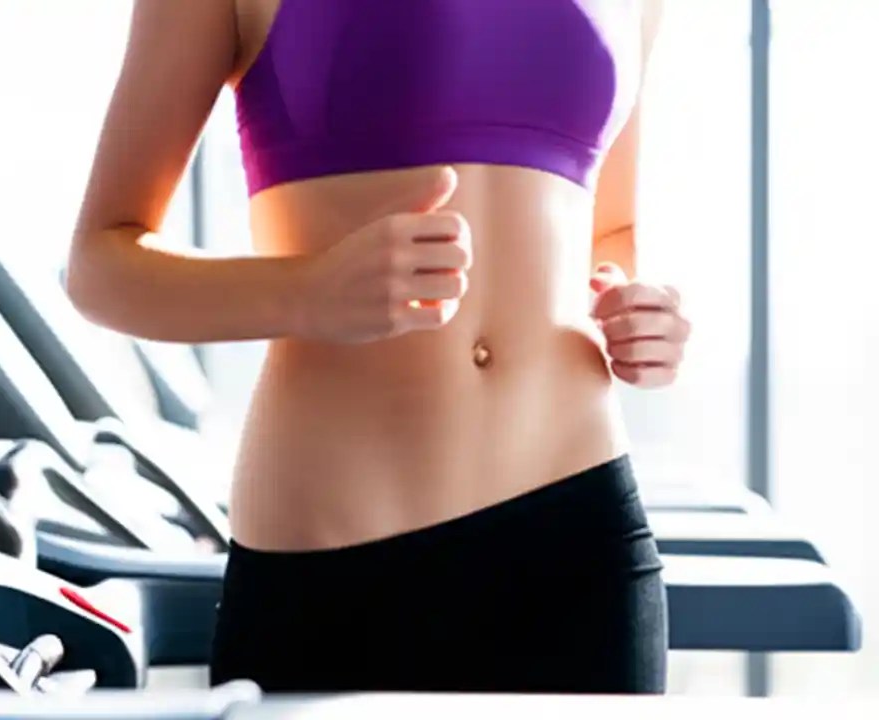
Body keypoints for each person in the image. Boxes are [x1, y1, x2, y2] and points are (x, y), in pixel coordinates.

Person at [67, 0, 689, 695]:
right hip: (338, 558)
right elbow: (100, 262)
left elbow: (610, 230)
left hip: (581, 542)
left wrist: (639, 312)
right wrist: (307, 290)